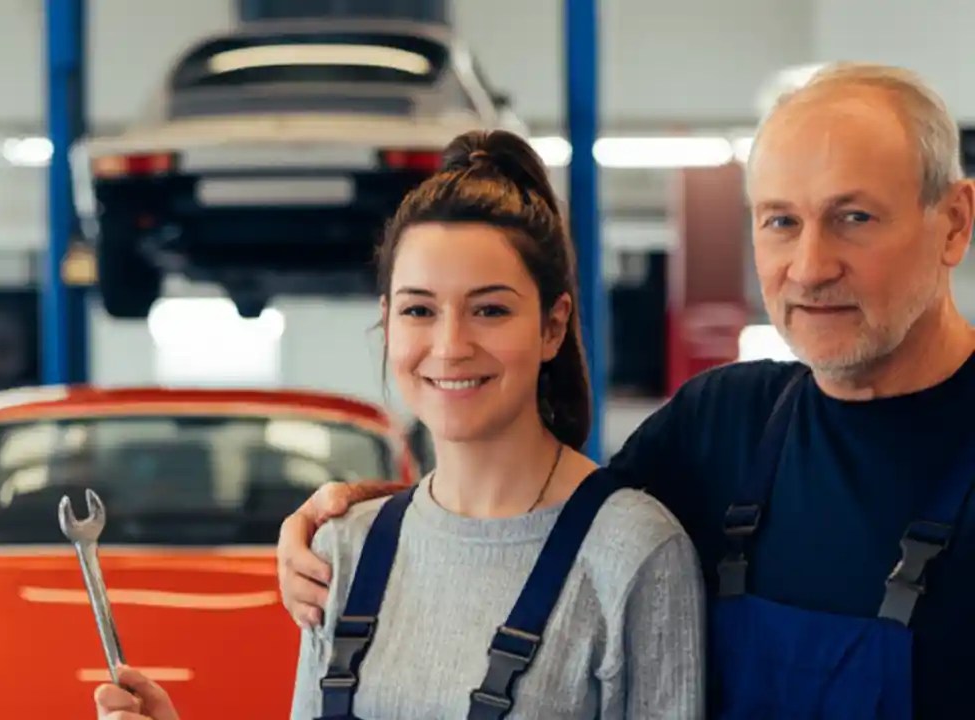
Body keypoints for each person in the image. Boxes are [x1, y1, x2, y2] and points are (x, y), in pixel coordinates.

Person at [277, 62, 975, 719]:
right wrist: (360, 520)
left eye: (855, 217)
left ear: (955, 223)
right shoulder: (723, 427)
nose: (811, 266)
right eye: (781, 221)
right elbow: (532, 522)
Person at [96, 130, 706, 718]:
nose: (449, 346)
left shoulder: (633, 553)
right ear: (388, 322)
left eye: (489, 310)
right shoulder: (345, 549)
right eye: (420, 309)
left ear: (552, 326)